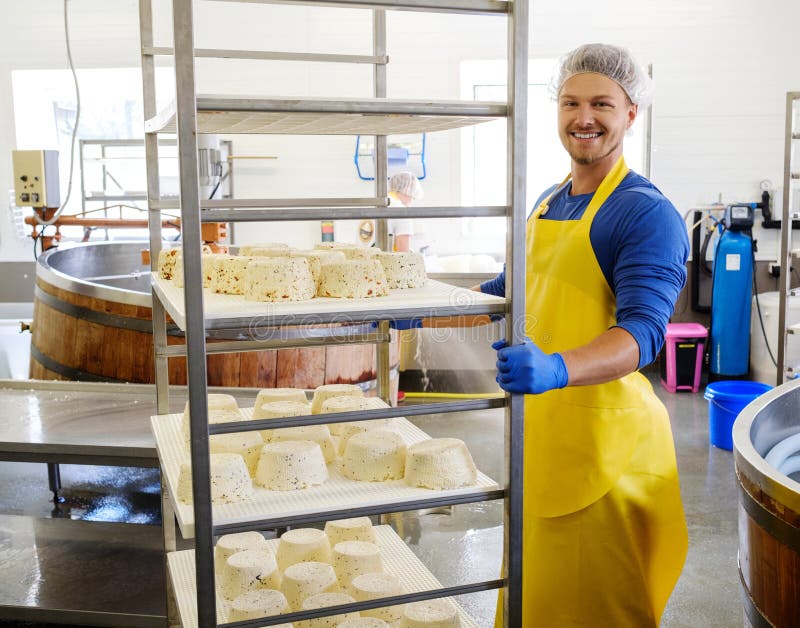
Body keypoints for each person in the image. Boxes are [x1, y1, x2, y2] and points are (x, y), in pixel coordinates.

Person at [480, 43, 689, 626]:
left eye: (601, 103)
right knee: (531, 604)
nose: (583, 117)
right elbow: (508, 286)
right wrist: (423, 305)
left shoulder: (644, 213)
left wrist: (555, 368)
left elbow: (644, 333)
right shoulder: (549, 201)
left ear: (631, 113)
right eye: (571, 102)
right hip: (540, 443)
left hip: (606, 456)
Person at [387, 171, 423, 252]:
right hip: (382, 263)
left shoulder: (378, 203)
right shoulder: (402, 211)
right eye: (413, 197)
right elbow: (403, 254)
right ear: (409, 190)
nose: (412, 200)